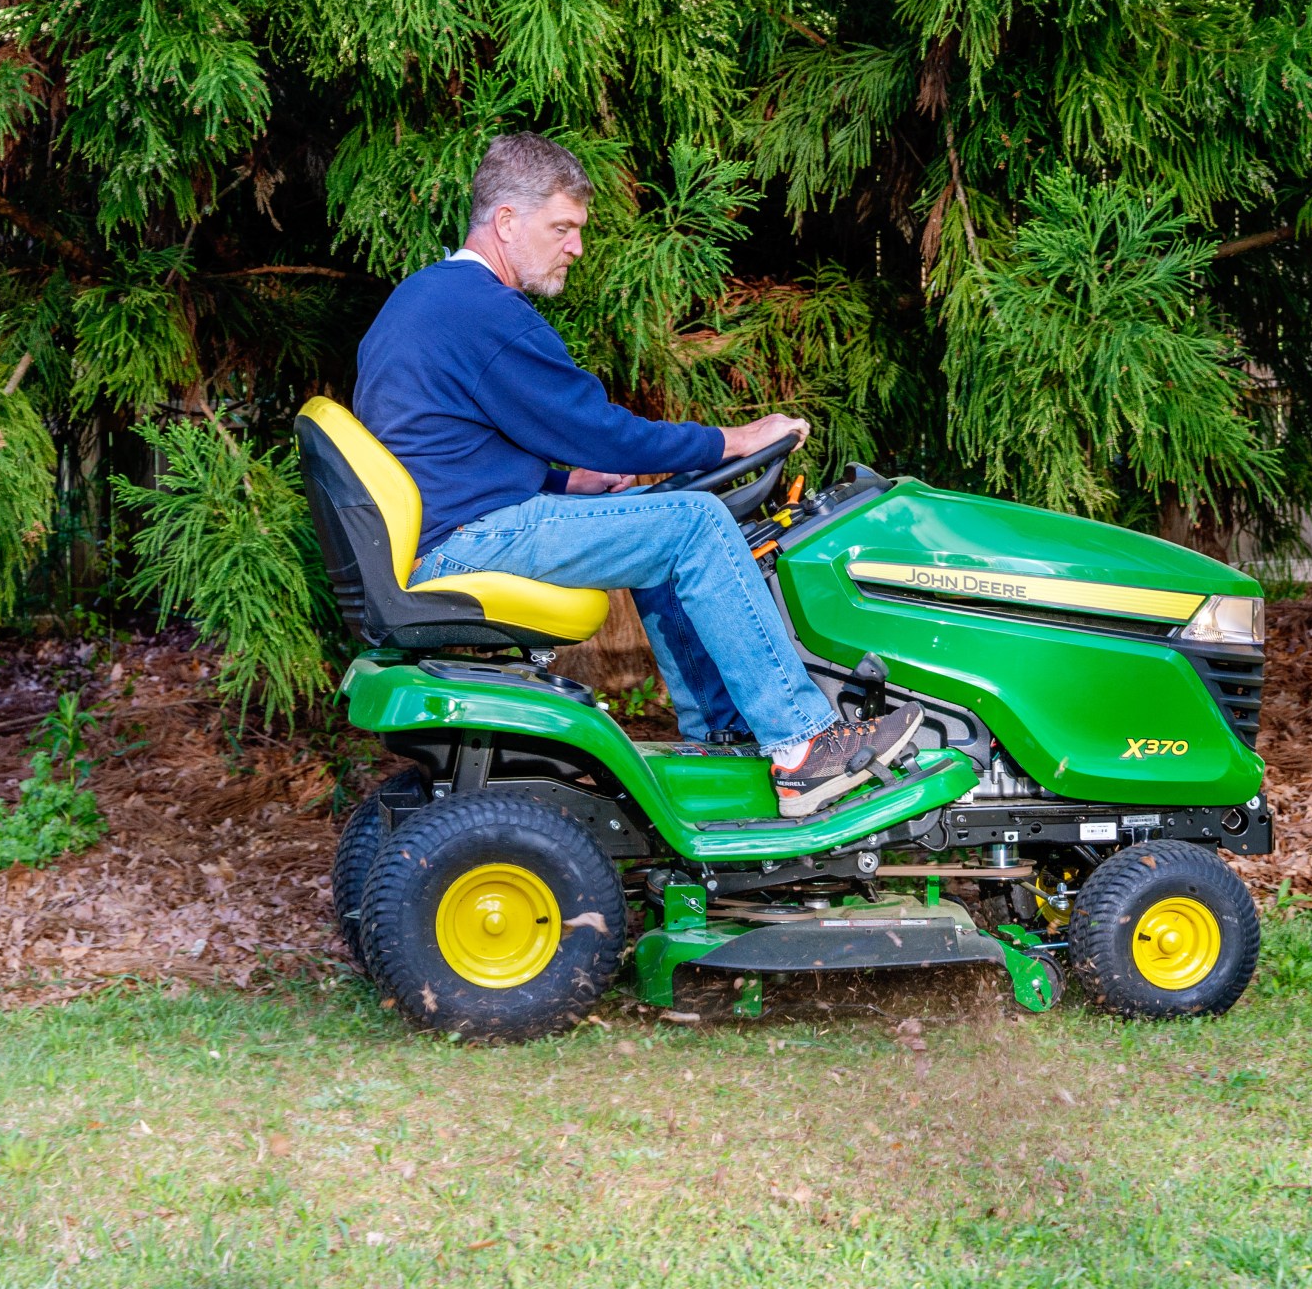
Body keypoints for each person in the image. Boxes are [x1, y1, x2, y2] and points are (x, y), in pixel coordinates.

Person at [354, 133, 923, 817]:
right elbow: (597, 430)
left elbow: (445, 457)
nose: (576, 247)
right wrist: (733, 439)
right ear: (506, 221)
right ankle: (803, 746)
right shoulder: (484, 312)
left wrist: (573, 486)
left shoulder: (423, 302)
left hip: (449, 529)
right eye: (562, 228)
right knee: (695, 522)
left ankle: (724, 736)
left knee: (664, 533)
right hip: (465, 541)